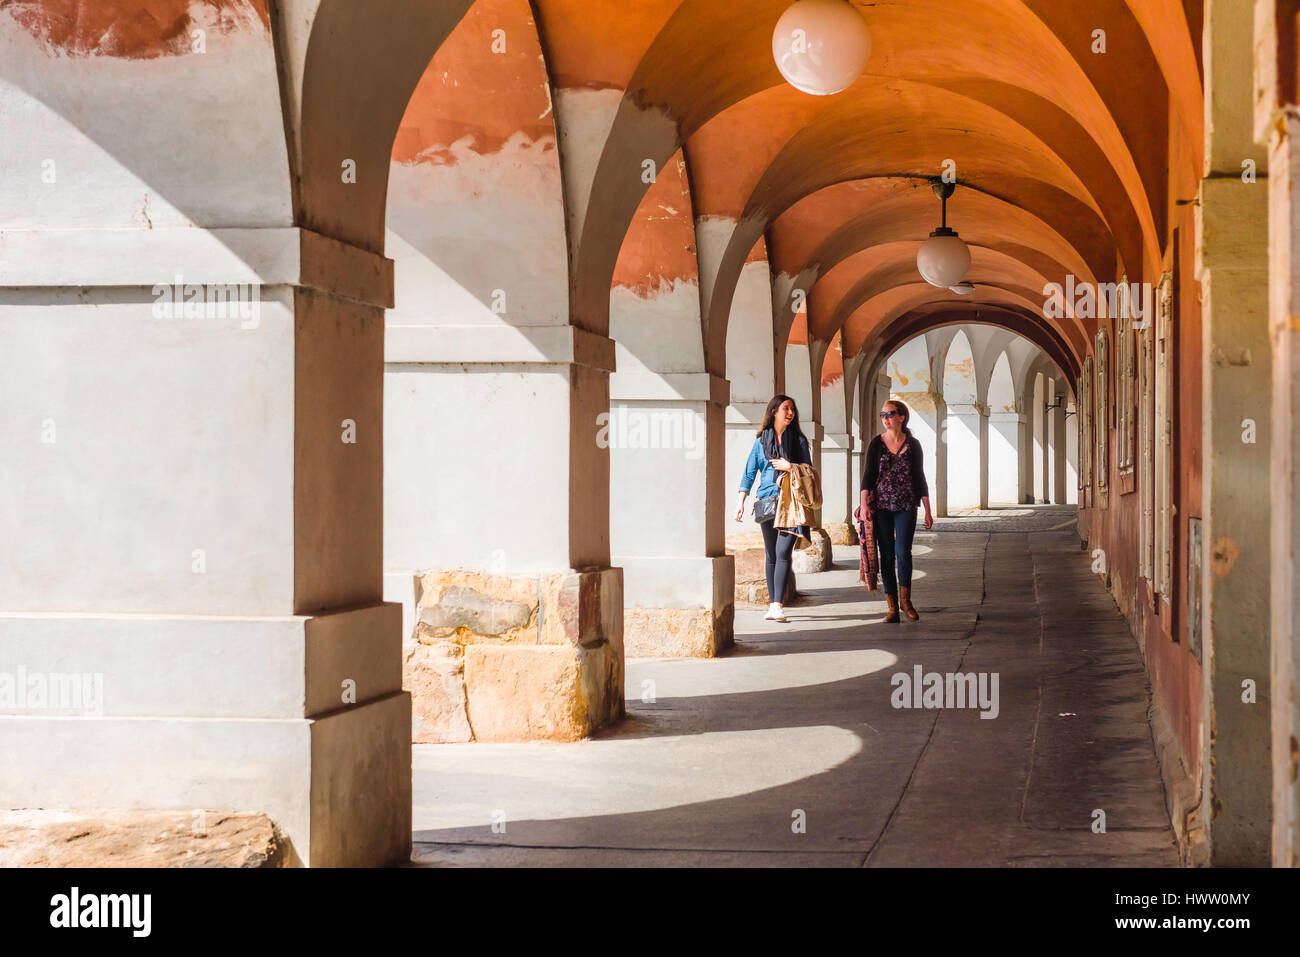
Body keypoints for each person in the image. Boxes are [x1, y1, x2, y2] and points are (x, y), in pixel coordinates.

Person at [735, 395, 812, 623]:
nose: (790, 413)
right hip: (767, 501)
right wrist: (741, 501)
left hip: (790, 503)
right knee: (770, 555)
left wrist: (791, 467)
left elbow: (809, 471)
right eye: (786, 409)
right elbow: (750, 472)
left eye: (793, 409)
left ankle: (778, 605)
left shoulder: (798, 441)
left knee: (782, 552)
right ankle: (772, 604)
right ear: (774, 411)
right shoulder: (761, 442)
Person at [860, 399, 934, 623]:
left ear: (902, 417)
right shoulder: (876, 444)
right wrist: (864, 506)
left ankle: (906, 602)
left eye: (890, 414)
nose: (886, 418)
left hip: (906, 506)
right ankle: (891, 607)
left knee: (903, 552)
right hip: (881, 507)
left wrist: (928, 510)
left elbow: (919, 478)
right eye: (883, 414)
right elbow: (868, 477)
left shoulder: (913, 445)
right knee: (887, 554)